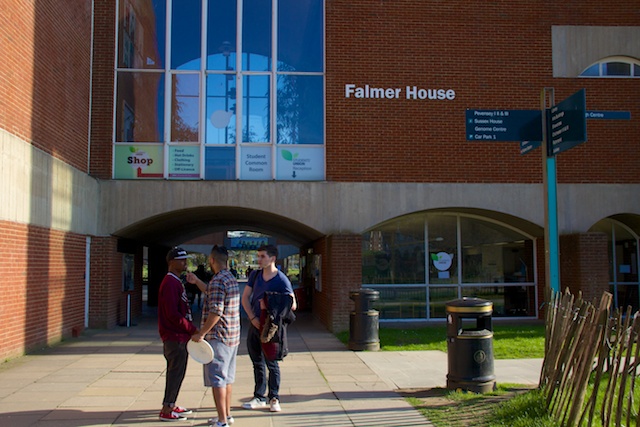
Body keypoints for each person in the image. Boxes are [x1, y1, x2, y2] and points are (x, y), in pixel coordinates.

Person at [186, 246, 240, 427]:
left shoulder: (218, 281)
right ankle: (227, 415)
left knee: (217, 379)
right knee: (227, 378)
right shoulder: (230, 278)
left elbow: (216, 311)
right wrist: (196, 281)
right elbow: (211, 291)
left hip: (219, 337)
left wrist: (201, 333)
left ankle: (222, 421)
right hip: (232, 336)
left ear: (212, 260)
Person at [241, 244, 297, 413]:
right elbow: (245, 297)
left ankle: (274, 397)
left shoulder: (281, 279)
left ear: (272, 258)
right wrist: (252, 317)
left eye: (263, 256)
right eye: (258, 256)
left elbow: (292, 304)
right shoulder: (255, 275)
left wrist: (273, 306)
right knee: (256, 361)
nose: (259, 259)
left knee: (271, 363)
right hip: (255, 325)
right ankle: (259, 396)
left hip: (270, 328)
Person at [157, 247, 199, 422]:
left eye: (185, 259)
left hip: (180, 336)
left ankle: (172, 404)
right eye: (181, 260)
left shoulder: (176, 281)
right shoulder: (169, 283)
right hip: (174, 337)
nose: (185, 263)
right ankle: (167, 409)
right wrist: (191, 328)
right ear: (171, 262)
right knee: (175, 372)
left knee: (178, 372)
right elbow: (172, 314)